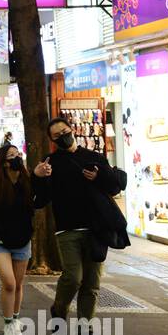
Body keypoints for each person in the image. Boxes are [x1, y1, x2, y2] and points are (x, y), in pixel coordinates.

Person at [32, 116, 123, 324]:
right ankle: (59, 309)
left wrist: (99, 177)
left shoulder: (94, 157)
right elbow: (41, 200)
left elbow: (114, 187)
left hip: (97, 229)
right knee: (73, 277)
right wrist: (38, 177)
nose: (62, 137)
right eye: (56, 136)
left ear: (71, 130)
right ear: (51, 140)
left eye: (64, 132)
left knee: (92, 283)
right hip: (67, 229)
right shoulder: (50, 163)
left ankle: (86, 327)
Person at [0, 144, 43, 335]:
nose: (16, 158)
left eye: (18, 155)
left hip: (22, 241)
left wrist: (40, 177)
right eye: (11, 156)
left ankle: (15, 318)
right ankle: (8, 326)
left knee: (18, 283)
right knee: (9, 283)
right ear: (4, 163)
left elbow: (40, 201)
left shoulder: (27, 182)